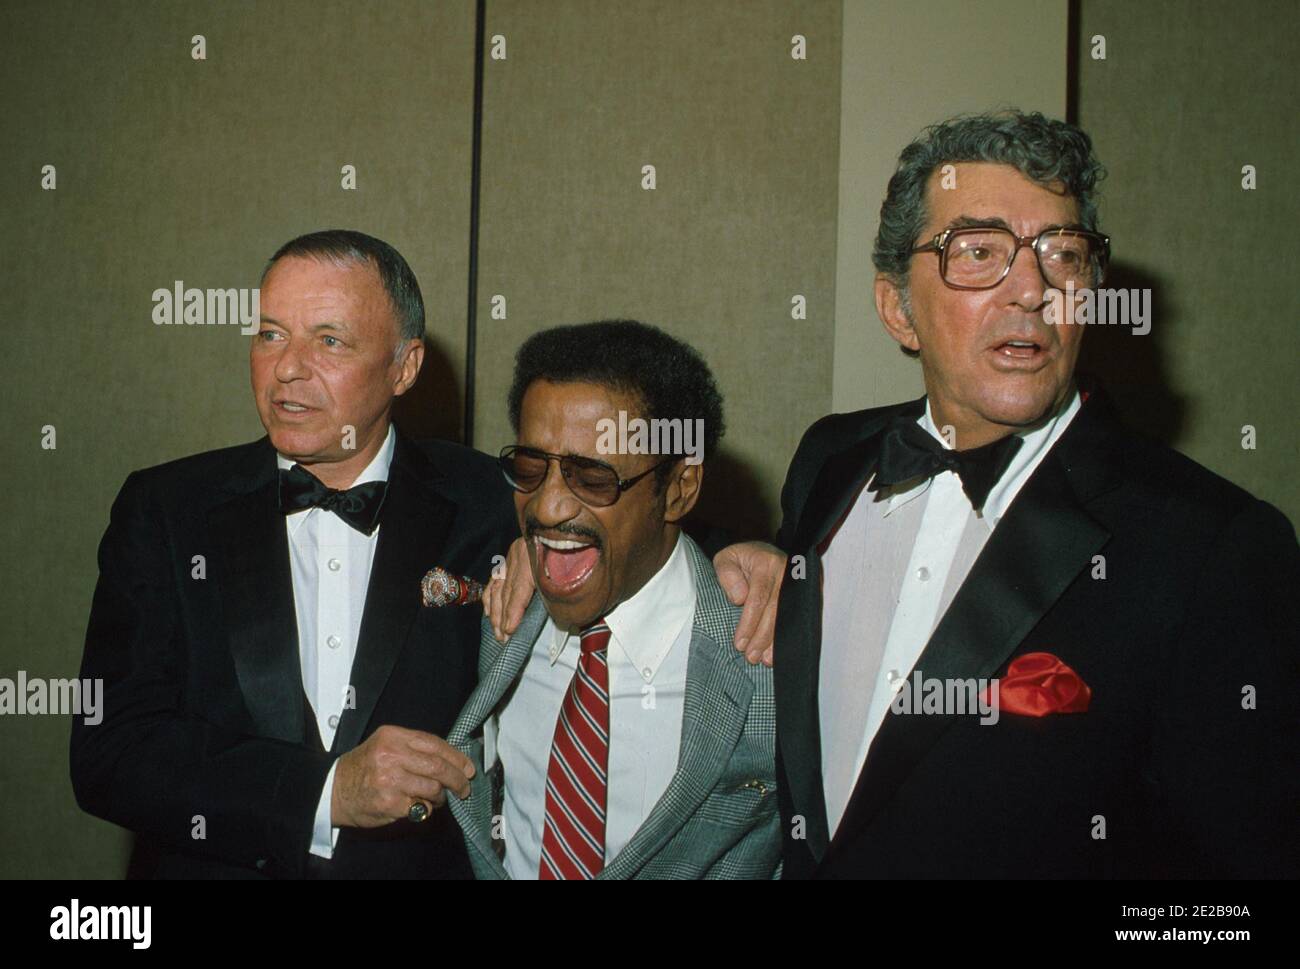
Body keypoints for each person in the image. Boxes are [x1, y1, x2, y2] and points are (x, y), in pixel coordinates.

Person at [769, 111, 1299, 878]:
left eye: (1063, 254)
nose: (1031, 289)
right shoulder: (830, 461)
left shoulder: (1216, 545)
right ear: (897, 309)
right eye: (979, 251)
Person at [70, 229, 516, 878]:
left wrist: (725, 564)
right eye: (271, 333)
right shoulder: (167, 508)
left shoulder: (491, 500)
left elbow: (644, 526)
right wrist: (326, 791)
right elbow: (109, 752)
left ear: (405, 366)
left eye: (329, 340)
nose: (287, 367)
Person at [446, 321, 781, 878]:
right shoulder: (500, 609)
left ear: (678, 489)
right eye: (531, 468)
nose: (548, 507)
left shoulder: (771, 658)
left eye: (592, 478)